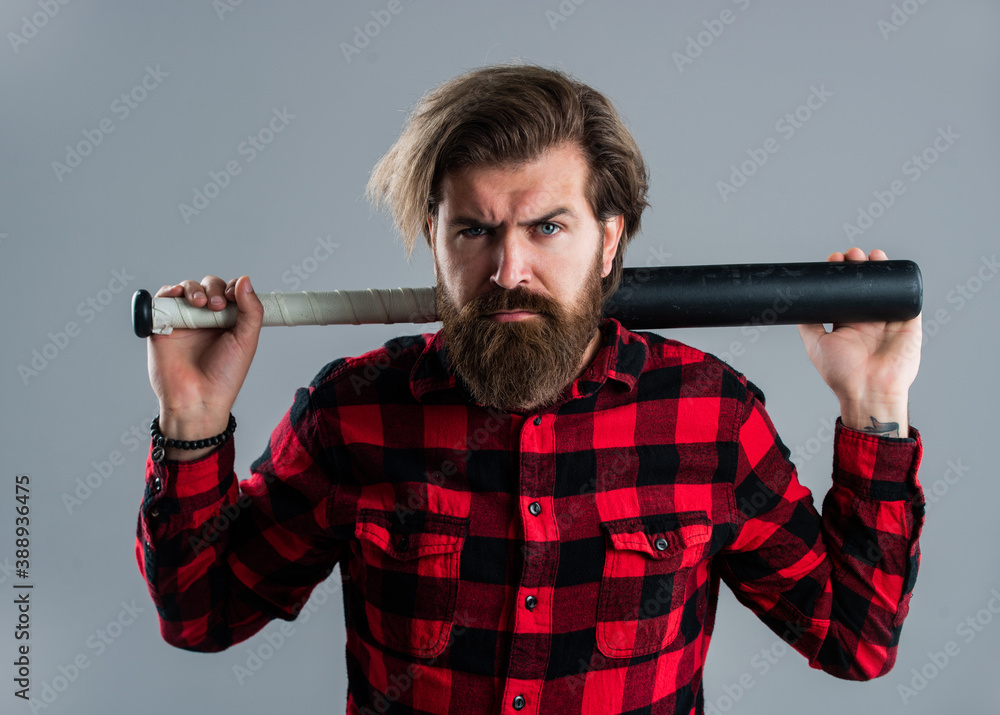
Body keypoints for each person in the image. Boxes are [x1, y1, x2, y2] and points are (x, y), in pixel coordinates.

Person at [135, 64, 925, 715]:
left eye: (547, 227)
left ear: (608, 237)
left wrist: (875, 409)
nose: (508, 271)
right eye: (473, 231)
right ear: (435, 240)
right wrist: (193, 422)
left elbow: (854, 641)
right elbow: (202, 613)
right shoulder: (353, 413)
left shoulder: (709, 418)